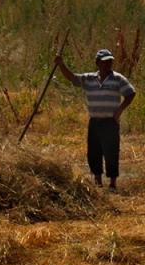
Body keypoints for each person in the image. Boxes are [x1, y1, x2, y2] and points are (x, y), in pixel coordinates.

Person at [56, 49, 136, 190]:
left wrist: (119, 110)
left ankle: (112, 183)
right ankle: (98, 182)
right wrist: (61, 64)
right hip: (94, 121)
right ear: (97, 63)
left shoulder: (118, 79)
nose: (108, 64)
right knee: (94, 152)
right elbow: (72, 78)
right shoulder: (89, 78)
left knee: (111, 152)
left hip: (110, 122)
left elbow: (130, 93)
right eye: (104, 62)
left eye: (110, 61)